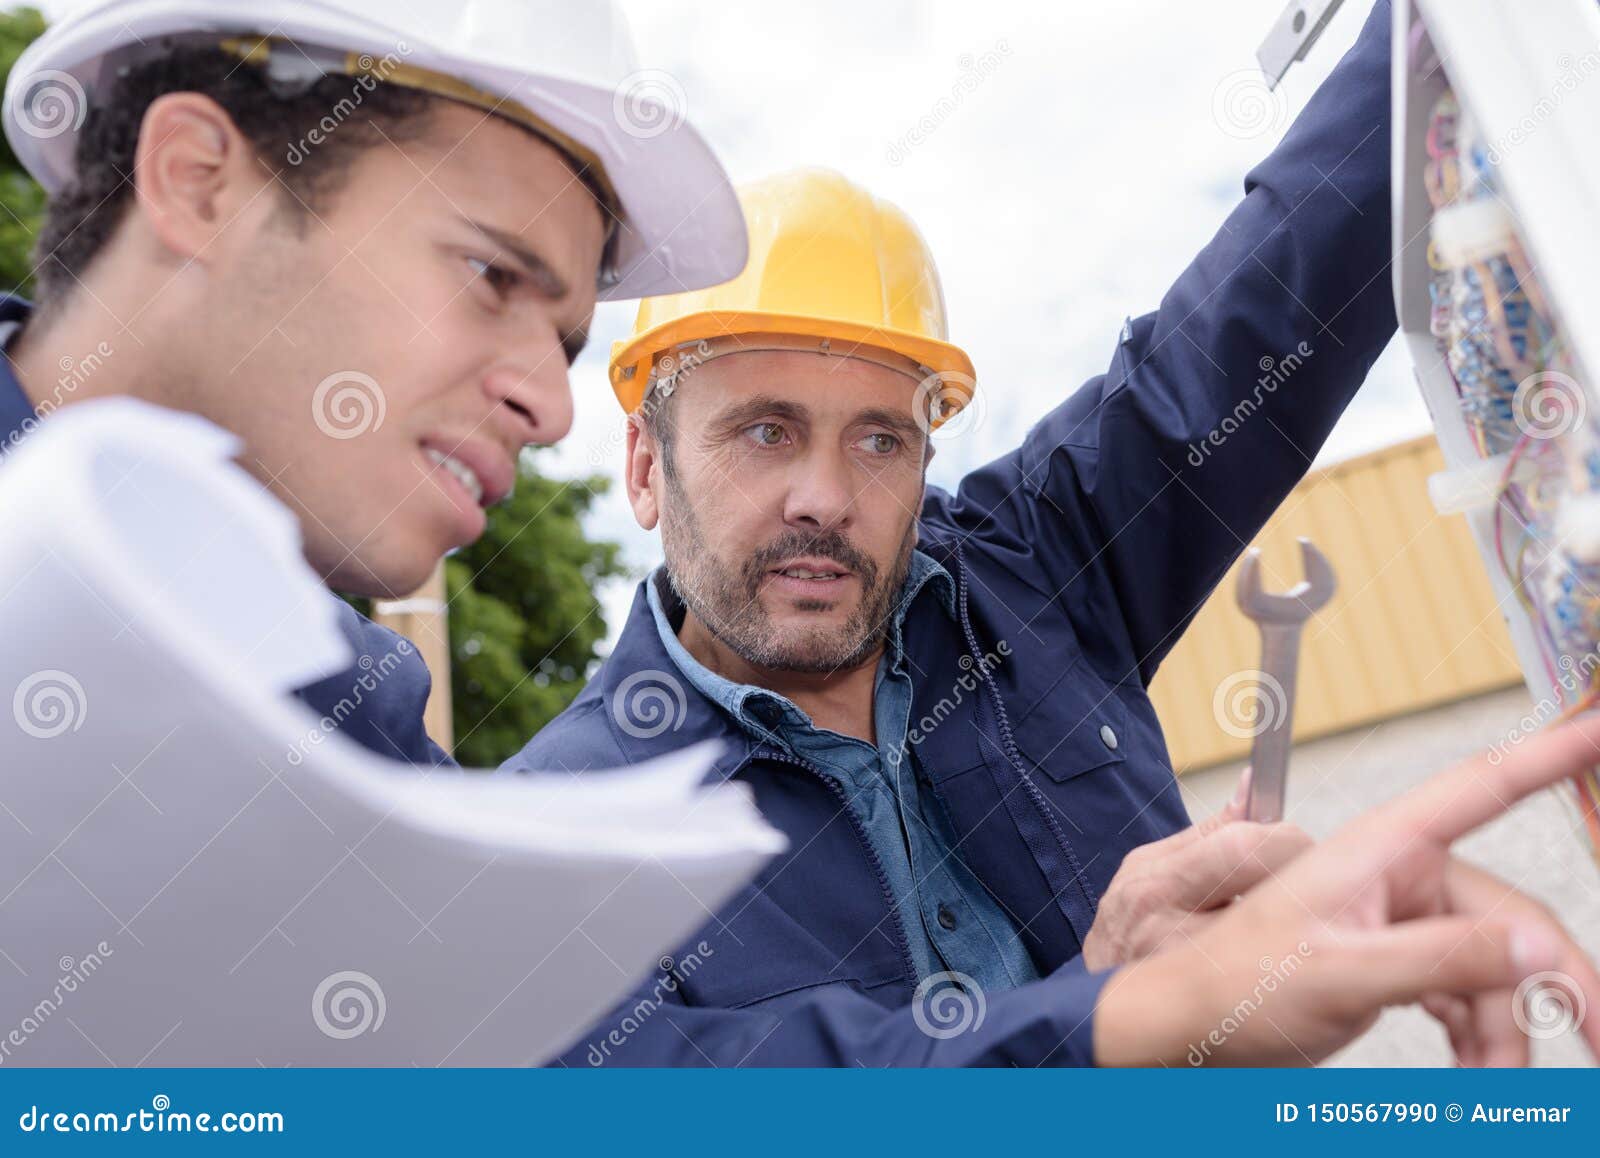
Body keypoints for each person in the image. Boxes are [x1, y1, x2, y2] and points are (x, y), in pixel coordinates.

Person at [502, 0, 1591, 1067]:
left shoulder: (1037, 565)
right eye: (765, 432)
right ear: (647, 468)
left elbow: (1271, 296)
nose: (824, 498)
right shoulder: (550, 845)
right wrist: (1118, 1015)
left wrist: (1442, 30)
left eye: (880, 440)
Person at [0, 0, 747, 763]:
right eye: (492, 274)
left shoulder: (358, 739)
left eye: (565, 346)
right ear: (197, 182)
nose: (552, 409)